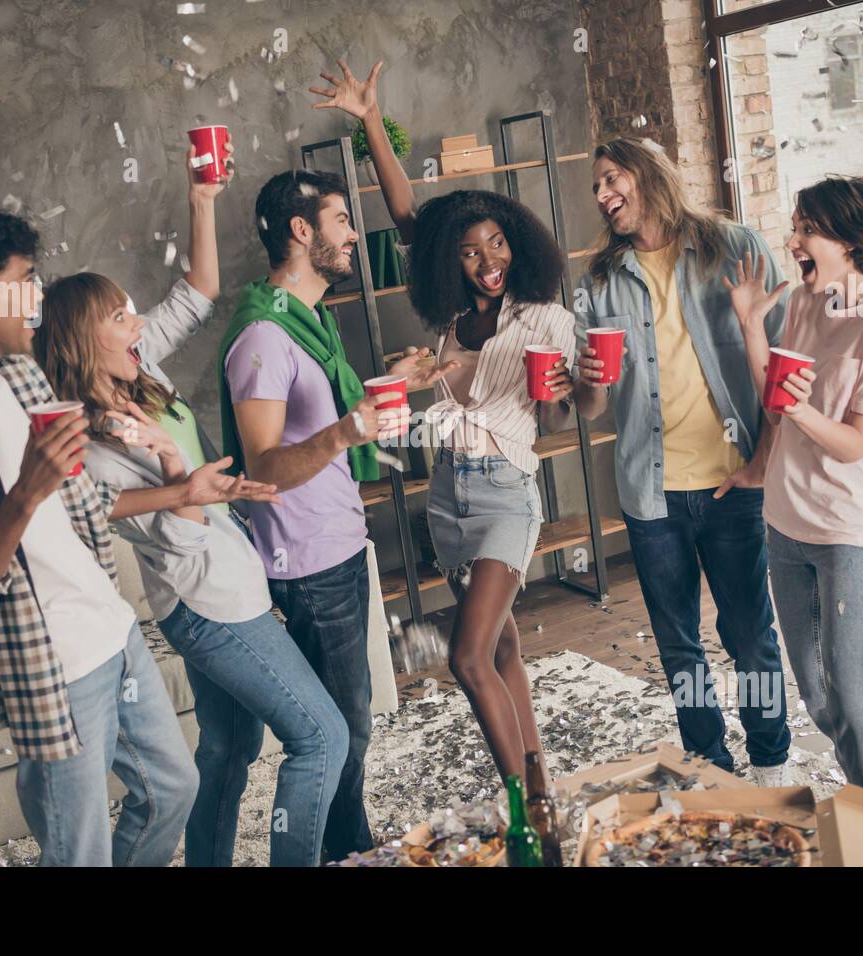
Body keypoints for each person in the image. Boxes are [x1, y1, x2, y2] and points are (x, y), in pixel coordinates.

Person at [0, 206, 228, 866]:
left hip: (112, 632)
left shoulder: (25, 377)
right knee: (76, 852)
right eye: (26, 279)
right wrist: (24, 492)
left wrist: (181, 489)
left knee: (174, 788)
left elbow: (81, 503)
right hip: (49, 667)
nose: (39, 296)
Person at [34, 144, 351, 866]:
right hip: (209, 605)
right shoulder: (91, 442)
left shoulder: (139, 373)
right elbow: (170, 544)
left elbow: (197, 292)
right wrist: (183, 480)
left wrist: (201, 198)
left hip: (224, 584)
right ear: (89, 337)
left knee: (231, 746)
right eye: (120, 316)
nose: (137, 321)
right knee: (322, 738)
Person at [312, 60, 577, 789]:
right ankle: (542, 783)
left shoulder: (545, 318)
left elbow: (562, 413)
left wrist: (559, 391)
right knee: (501, 654)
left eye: (496, 244)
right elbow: (410, 220)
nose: (487, 260)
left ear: (515, 243)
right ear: (452, 262)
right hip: (448, 501)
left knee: (465, 658)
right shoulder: (453, 323)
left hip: (505, 497)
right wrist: (370, 121)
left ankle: (528, 809)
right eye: (470, 250)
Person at [218, 165, 453, 861]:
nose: (354, 235)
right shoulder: (262, 337)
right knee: (336, 735)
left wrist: (394, 385)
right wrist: (349, 432)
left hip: (340, 547)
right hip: (308, 564)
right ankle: (340, 852)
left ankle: (351, 849)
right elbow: (264, 465)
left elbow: (326, 416)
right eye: (342, 221)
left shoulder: (306, 318)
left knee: (350, 728)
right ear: (301, 231)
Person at [571, 138, 793, 784]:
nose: (603, 195)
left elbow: (781, 365)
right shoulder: (600, 280)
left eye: (611, 179)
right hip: (651, 495)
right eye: (596, 187)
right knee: (679, 647)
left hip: (733, 484)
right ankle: (710, 762)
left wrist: (765, 460)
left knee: (750, 634)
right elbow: (590, 408)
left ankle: (772, 760)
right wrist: (585, 378)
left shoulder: (735, 248)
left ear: (648, 175)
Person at [724, 176, 863, 798]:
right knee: (813, 689)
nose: (793, 240)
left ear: (852, 240)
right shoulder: (807, 303)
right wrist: (754, 326)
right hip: (787, 522)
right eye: (798, 225)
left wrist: (802, 410)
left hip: (853, 531)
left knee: (856, 694)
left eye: (807, 228)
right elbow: (777, 404)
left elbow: (856, 442)